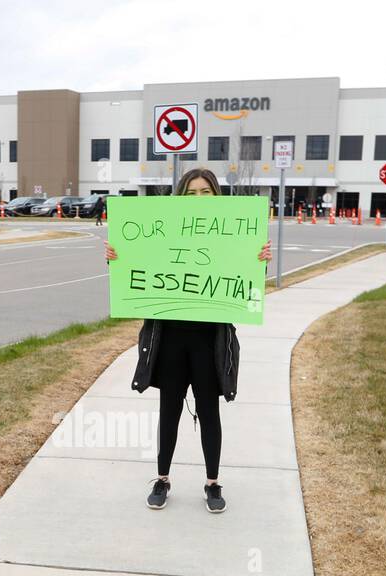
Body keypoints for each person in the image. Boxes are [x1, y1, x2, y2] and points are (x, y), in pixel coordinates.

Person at [104, 169, 271, 513]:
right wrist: (118, 259)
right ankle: (162, 479)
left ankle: (212, 483)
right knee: (169, 411)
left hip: (209, 340)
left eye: (205, 192)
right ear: (180, 196)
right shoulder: (163, 230)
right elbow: (139, 266)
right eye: (191, 192)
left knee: (210, 413)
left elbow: (244, 281)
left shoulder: (231, 233)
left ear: (216, 195)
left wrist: (259, 262)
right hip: (170, 340)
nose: (198, 198)